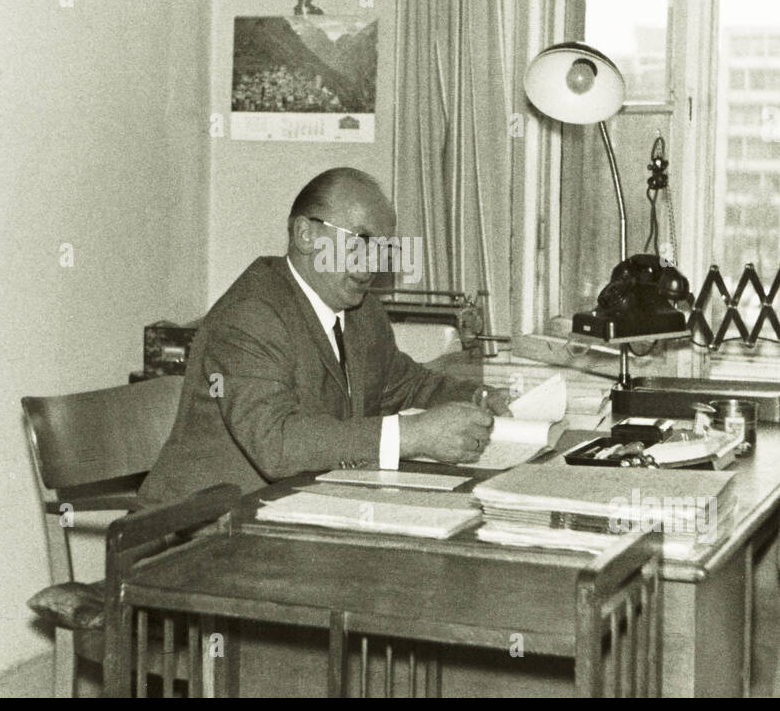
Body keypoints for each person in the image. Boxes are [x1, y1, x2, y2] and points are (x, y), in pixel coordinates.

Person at [138, 167, 508, 504]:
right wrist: (413, 435)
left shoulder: (361, 313)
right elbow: (278, 444)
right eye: (361, 241)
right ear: (305, 234)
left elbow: (407, 384)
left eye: (384, 248)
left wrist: (477, 396)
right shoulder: (249, 316)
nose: (374, 264)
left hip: (302, 512)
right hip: (203, 533)